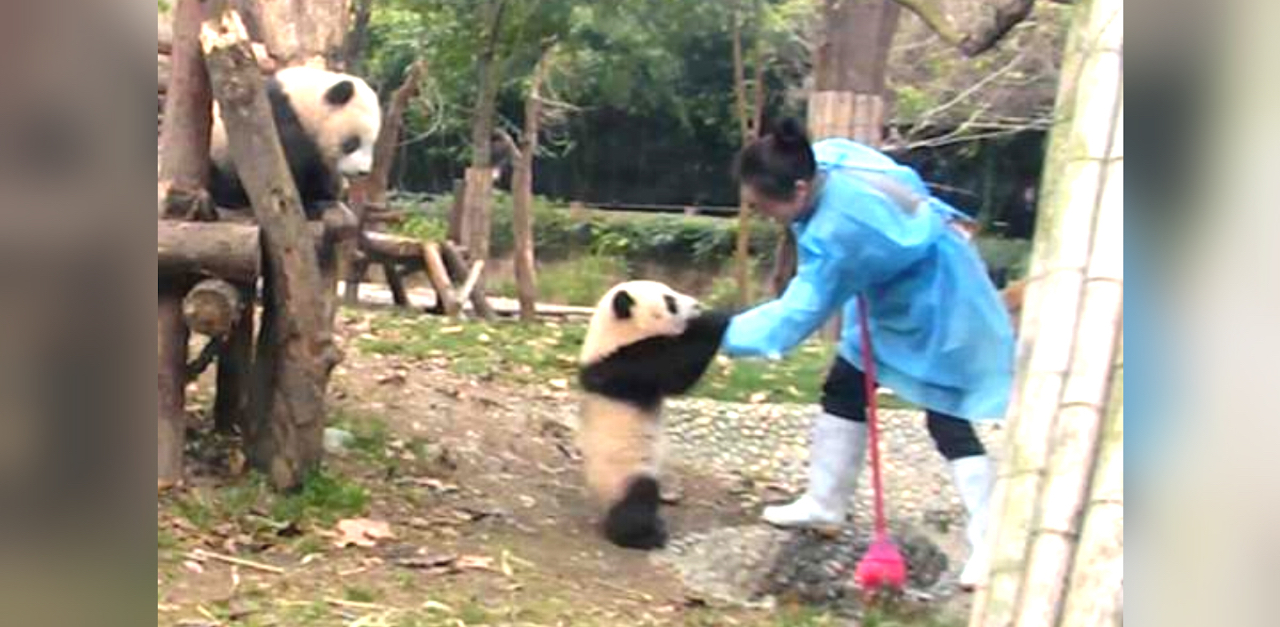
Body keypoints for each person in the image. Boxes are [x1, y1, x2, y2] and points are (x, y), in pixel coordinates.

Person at [718, 119, 1015, 590]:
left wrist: (718, 334)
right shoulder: (833, 157)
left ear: (798, 189)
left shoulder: (840, 234)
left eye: (763, 204)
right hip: (894, 299)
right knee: (845, 386)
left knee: (947, 416)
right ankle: (825, 500)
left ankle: (992, 542)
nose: (760, 212)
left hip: (943, 309)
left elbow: (796, 316)